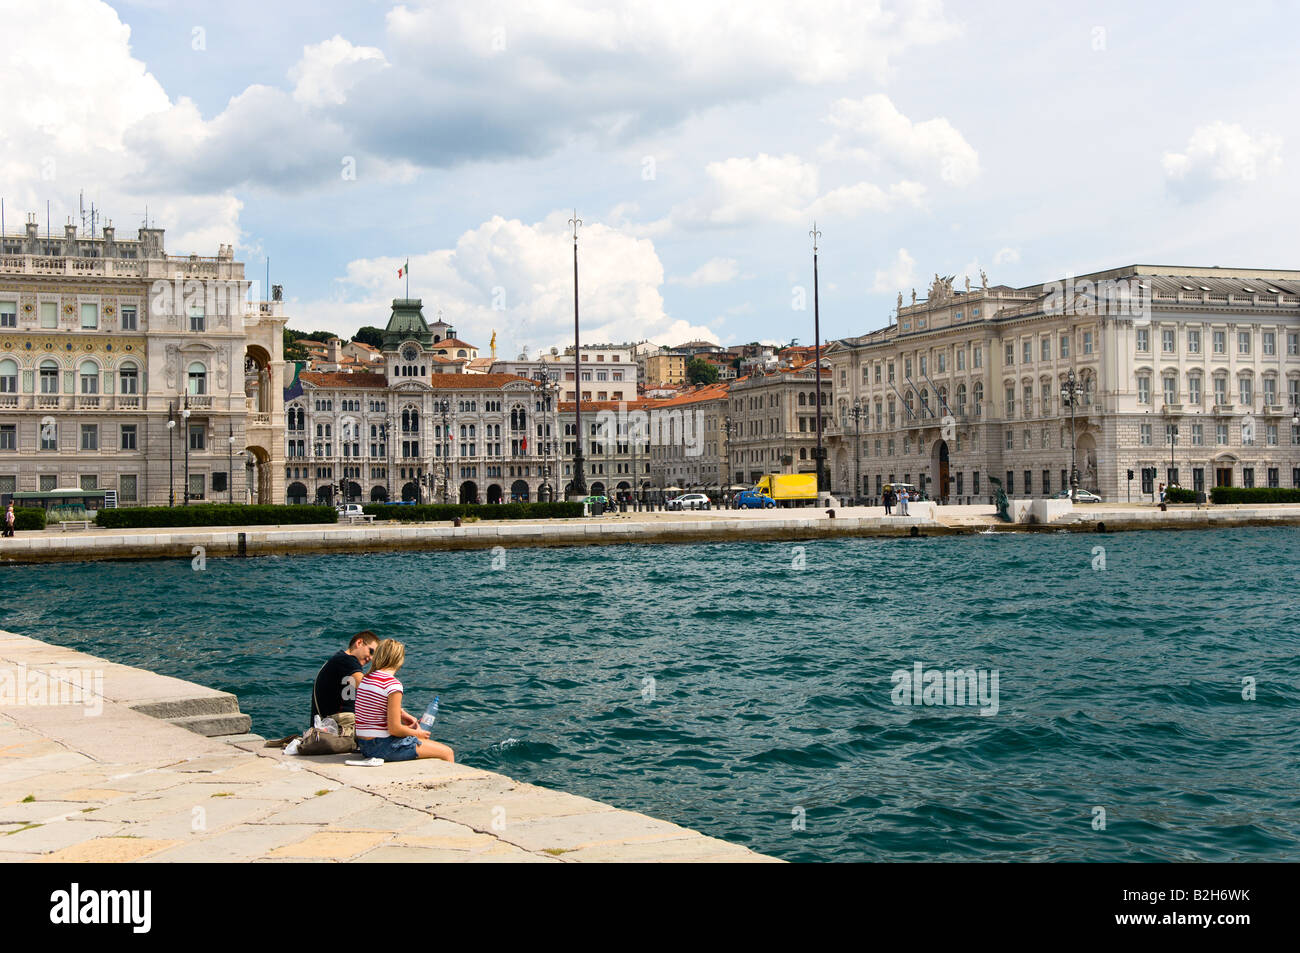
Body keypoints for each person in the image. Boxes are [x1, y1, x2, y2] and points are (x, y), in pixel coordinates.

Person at [355, 638, 454, 762]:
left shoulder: (366, 679)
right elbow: (394, 729)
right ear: (399, 659)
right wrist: (418, 734)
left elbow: (376, 707)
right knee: (447, 752)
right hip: (382, 747)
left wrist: (404, 717)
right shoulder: (393, 685)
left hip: (364, 745)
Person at [309, 630, 379, 734]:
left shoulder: (340, 661)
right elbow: (368, 687)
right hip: (338, 726)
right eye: (371, 651)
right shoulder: (347, 660)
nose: (371, 658)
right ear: (359, 643)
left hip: (332, 725)